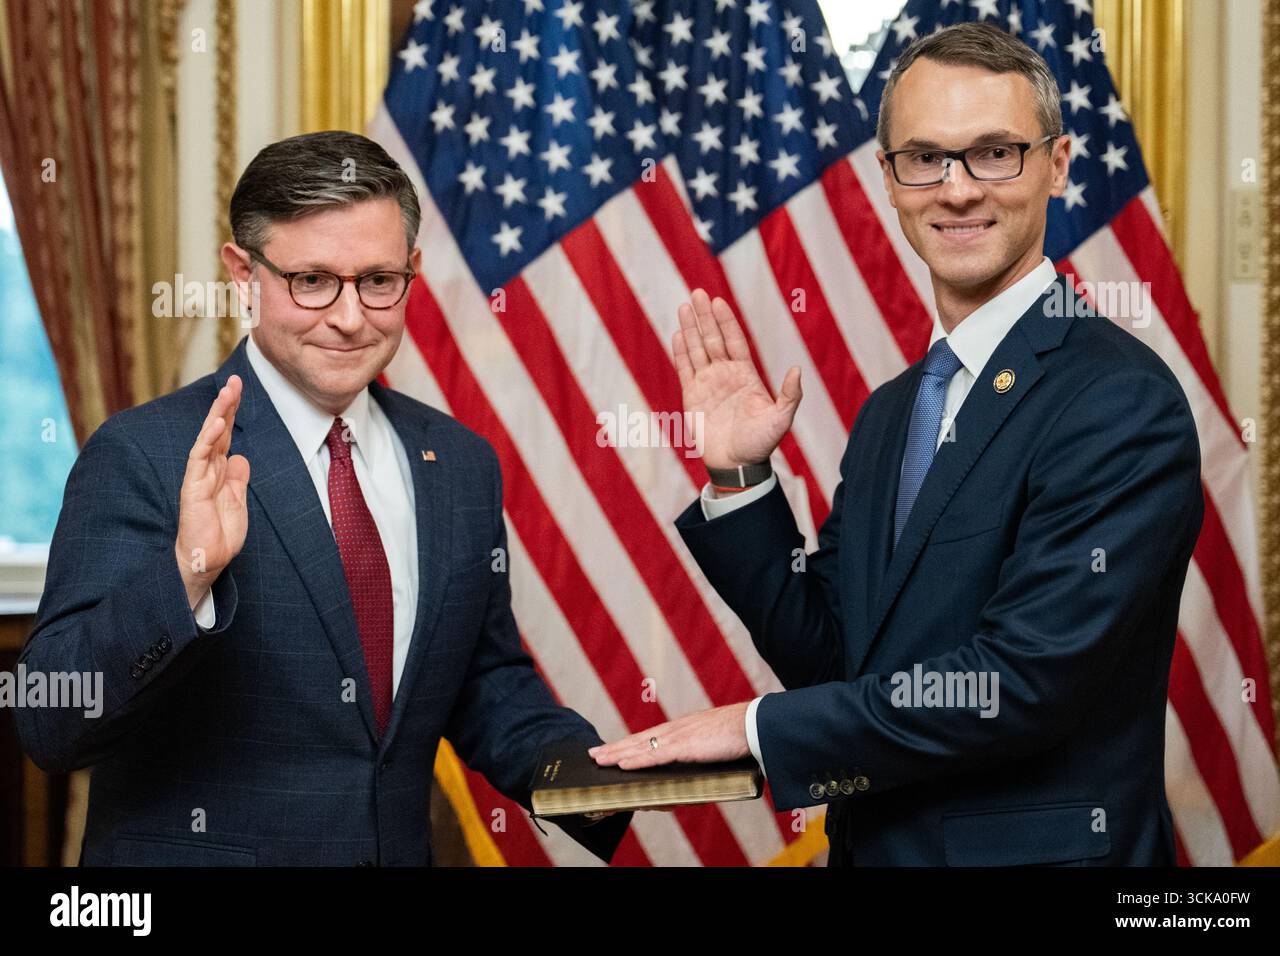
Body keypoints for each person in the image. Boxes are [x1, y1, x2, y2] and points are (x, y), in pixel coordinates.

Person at [591, 22, 1203, 866]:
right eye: (925, 157)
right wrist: (739, 475)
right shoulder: (892, 415)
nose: (956, 190)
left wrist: (755, 728)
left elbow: (1019, 685)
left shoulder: (1119, 402)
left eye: (995, 153)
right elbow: (839, 660)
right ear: (889, 178)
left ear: (1057, 166)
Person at [18, 130, 628, 866]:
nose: (348, 317)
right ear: (244, 275)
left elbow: (484, 680)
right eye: (312, 281)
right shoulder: (144, 453)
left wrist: (602, 780)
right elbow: (51, 721)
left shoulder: (461, 465)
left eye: (378, 281)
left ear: (413, 272)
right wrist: (187, 576)